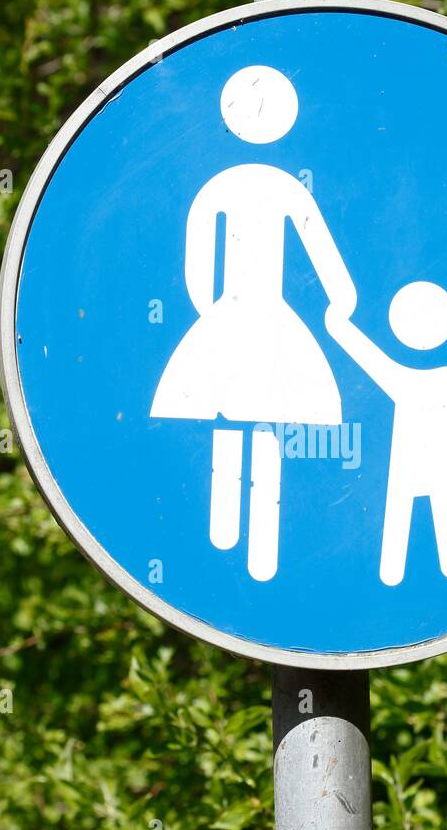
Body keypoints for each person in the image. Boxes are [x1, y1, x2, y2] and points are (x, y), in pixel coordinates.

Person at [150, 65, 356, 582]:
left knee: (234, 416)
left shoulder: (221, 186)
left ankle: (233, 537)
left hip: (231, 313)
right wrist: (341, 299)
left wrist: (211, 316)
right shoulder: (283, 185)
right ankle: (251, 546)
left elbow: (197, 267)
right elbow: (322, 252)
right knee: (268, 417)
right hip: (260, 315)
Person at [325, 281, 447, 585]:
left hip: (425, 460)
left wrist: (339, 327)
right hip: (417, 459)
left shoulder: (420, 379)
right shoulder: (434, 378)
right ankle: (404, 576)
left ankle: (417, 575)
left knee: (427, 510)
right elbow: (370, 359)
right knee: (421, 509)